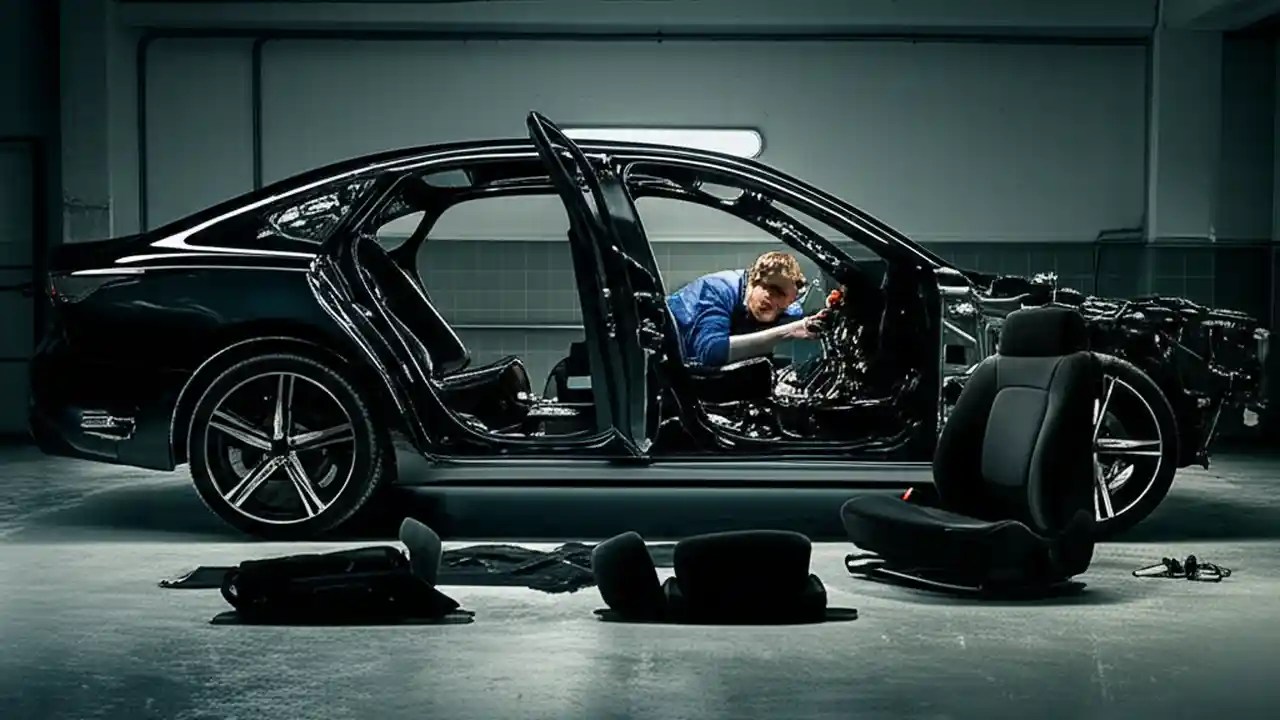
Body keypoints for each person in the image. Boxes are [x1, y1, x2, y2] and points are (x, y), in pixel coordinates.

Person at [666, 250, 827, 367]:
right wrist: (789, 331)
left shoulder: (788, 309)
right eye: (773, 290)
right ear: (754, 280)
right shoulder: (717, 289)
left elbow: (803, 317)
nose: (775, 303)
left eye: (783, 303)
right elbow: (711, 352)